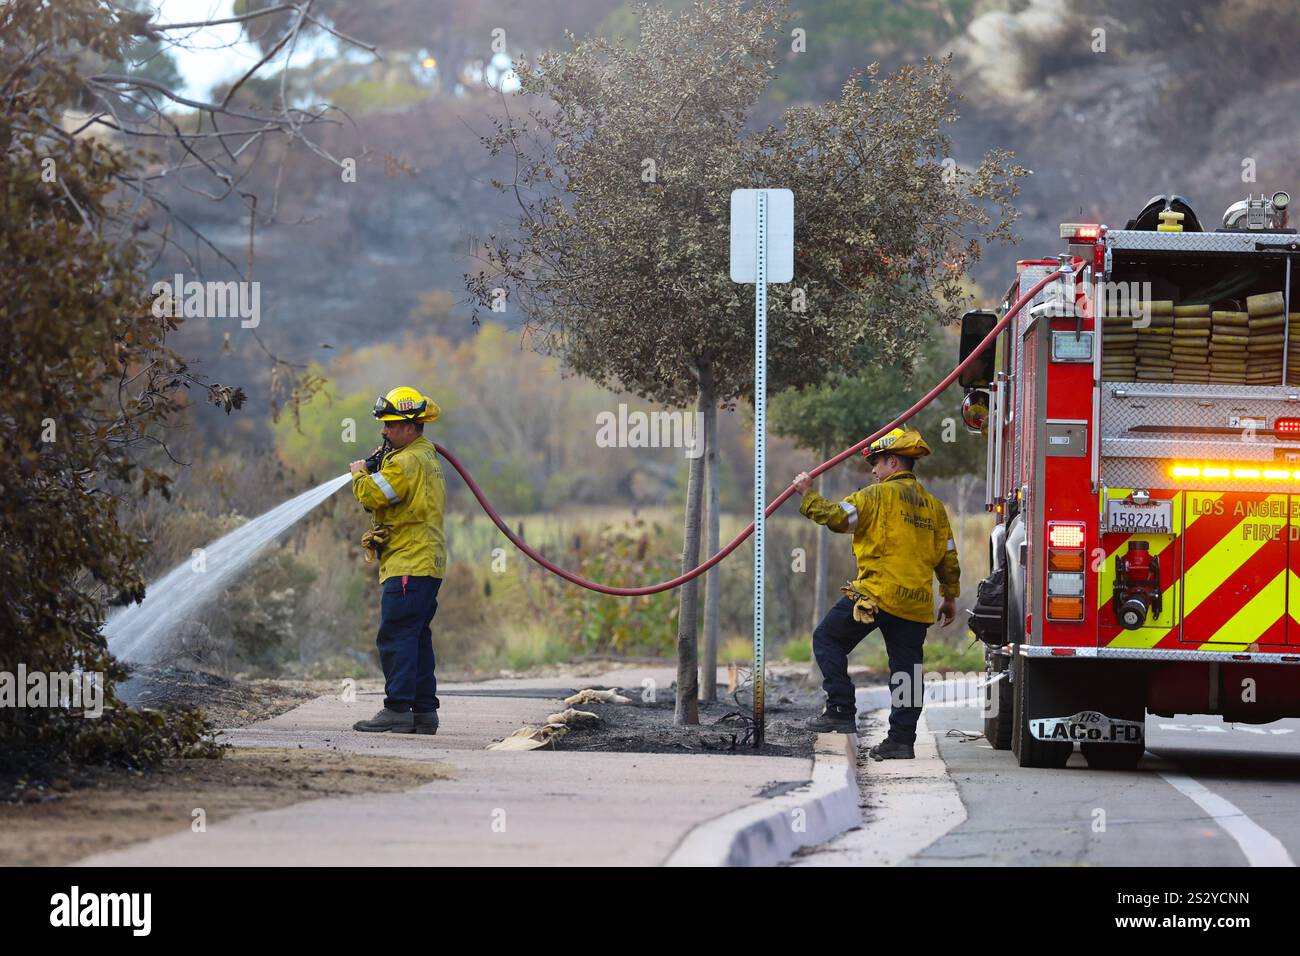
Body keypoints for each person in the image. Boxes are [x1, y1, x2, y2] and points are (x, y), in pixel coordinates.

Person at [792, 427, 960, 759]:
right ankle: (901, 741)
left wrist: (807, 494)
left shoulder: (874, 496)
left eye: (877, 463)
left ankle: (840, 710)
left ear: (893, 463)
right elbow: (948, 556)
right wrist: (950, 595)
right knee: (908, 673)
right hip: (914, 603)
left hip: (875, 596)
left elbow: (837, 517)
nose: (872, 470)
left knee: (827, 638)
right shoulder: (935, 508)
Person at [348, 386, 447, 734]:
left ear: (410, 426)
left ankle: (397, 709)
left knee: (396, 636)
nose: (384, 431)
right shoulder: (425, 456)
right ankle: (423, 712)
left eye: (390, 425)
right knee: (416, 636)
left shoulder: (406, 461)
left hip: (409, 563)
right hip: (425, 563)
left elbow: (375, 495)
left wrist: (360, 473)